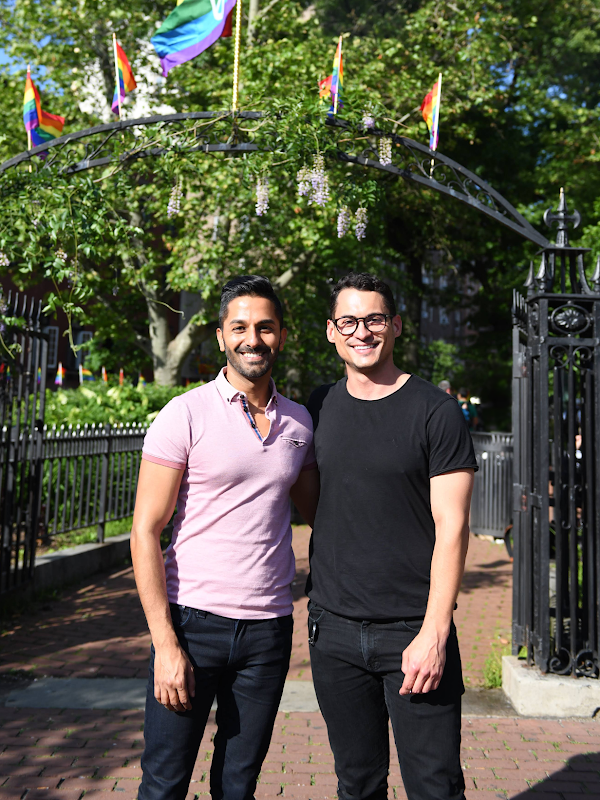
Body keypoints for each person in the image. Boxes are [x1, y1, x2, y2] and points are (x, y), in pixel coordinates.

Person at [131, 275, 319, 800]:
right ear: (220, 336)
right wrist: (164, 643)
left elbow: (320, 512)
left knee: (238, 784)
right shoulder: (185, 414)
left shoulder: (300, 423)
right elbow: (146, 531)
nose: (251, 339)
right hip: (192, 625)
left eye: (265, 327)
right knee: (164, 782)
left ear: (281, 335)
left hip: (267, 631)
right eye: (239, 327)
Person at [306, 272, 477, 800]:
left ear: (396, 326)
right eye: (349, 321)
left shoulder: (436, 411)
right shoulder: (315, 408)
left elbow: (453, 527)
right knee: (356, 785)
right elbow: (306, 501)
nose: (362, 331)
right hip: (332, 631)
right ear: (332, 332)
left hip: (411, 628)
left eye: (375, 319)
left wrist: (434, 632)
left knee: (435, 785)